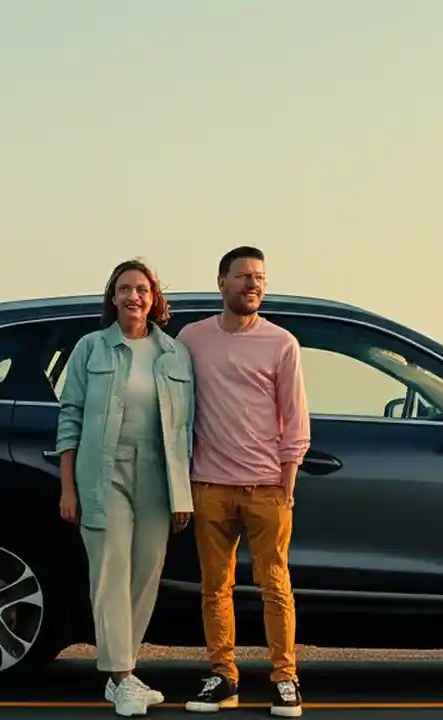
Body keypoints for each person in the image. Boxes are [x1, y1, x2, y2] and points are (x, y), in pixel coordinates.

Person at [55, 258, 196, 717]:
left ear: (155, 298)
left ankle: (125, 674)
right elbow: (70, 417)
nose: (133, 296)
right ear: (112, 297)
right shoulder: (90, 349)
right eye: (124, 289)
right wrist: (67, 488)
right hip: (102, 473)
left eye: (142, 289)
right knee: (111, 570)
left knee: (145, 573)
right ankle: (120, 676)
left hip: (158, 475)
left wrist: (182, 494)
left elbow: (185, 428)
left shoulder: (175, 355)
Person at [177, 246, 310, 718]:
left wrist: (287, 482)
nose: (252, 284)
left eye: (259, 277)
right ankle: (223, 675)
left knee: (275, 585)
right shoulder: (192, 339)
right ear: (221, 282)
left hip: (266, 487)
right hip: (209, 485)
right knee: (215, 587)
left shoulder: (281, 343)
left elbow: (295, 420)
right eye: (242, 276)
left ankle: (285, 676)